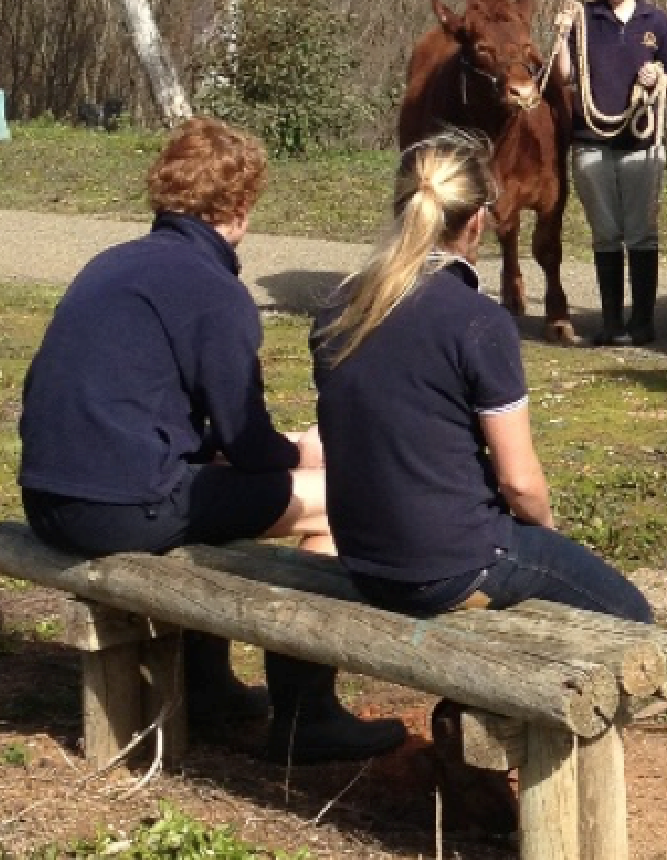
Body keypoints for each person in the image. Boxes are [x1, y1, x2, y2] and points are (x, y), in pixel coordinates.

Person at [17, 117, 405, 764]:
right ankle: (306, 714)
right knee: (339, 496)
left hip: (50, 496)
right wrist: (304, 451)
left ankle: (208, 684)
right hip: (115, 507)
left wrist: (242, 450)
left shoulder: (113, 265)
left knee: (215, 490)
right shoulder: (213, 292)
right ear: (243, 206)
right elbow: (249, 446)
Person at [310, 131, 652, 624]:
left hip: (365, 557)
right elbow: (520, 484)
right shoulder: (477, 321)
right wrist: (546, 538)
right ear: (477, 220)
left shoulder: (339, 308)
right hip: (452, 562)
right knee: (632, 618)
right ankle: (493, 702)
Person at [552, 0, 667, 347]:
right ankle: (611, 322)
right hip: (591, 139)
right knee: (606, 233)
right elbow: (565, 75)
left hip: (641, 140)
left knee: (641, 232)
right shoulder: (584, 19)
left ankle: (643, 322)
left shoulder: (656, 21)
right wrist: (559, 35)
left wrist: (659, 77)